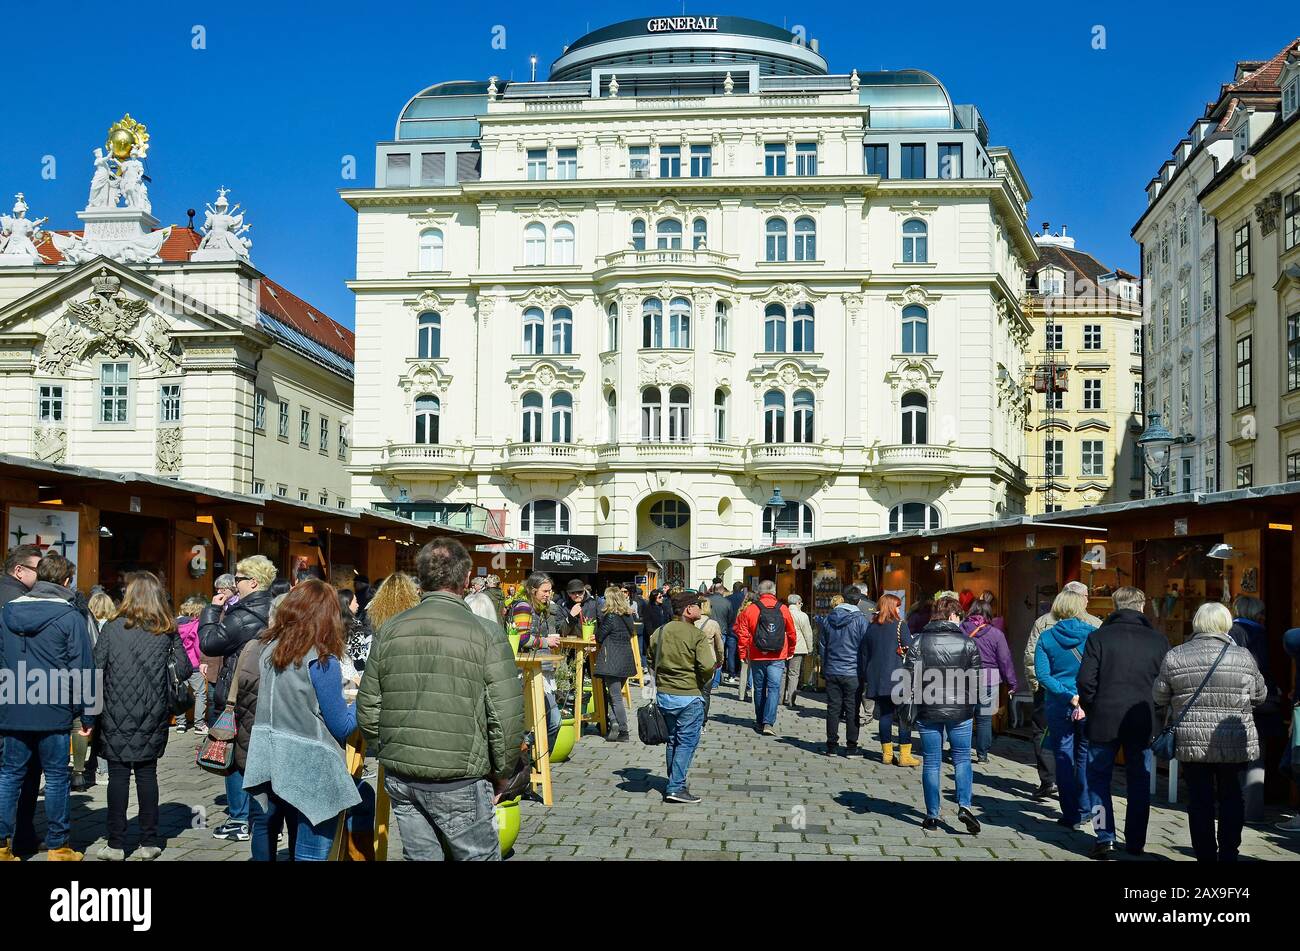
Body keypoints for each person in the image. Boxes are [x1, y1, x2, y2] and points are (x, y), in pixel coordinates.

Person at [358, 538, 525, 860]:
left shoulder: (391, 629)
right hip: (458, 776)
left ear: (421, 578)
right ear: (466, 581)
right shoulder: (487, 633)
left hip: (404, 773)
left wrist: (389, 748)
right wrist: (503, 770)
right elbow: (505, 714)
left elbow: (369, 706)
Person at [242, 580, 360, 861]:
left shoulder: (269, 650)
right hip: (310, 763)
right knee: (312, 852)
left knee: (270, 829)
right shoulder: (322, 661)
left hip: (268, 756)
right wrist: (363, 702)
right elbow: (341, 724)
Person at [0, 551, 95, 862]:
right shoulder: (70, 616)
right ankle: (57, 845)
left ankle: (2, 844)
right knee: (56, 777)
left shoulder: (7, 612)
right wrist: (89, 711)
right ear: (66, 581)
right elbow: (84, 667)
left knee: (10, 775)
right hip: (53, 707)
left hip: (13, 704)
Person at [1154, 602, 1266, 863]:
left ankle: (1204, 855)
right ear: (1225, 623)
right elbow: (1260, 696)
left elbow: (1159, 695)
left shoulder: (1176, 655)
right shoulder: (1243, 656)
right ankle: (1229, 853)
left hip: (1192, 740)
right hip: (1234, 740)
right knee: (1231, 797)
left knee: (1199, 799)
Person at [92, 572, 192, 861]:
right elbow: (184, 670)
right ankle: (149, 841)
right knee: (148, 776)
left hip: (115, 712)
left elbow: (97, 669)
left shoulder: (112, 628)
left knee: (118, 778)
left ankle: (115, 843)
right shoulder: (166, 629)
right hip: (154, 711)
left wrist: (90, 714)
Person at [1077, 586, 1169, 860]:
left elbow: (1085, 680)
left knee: (1097, 779)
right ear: (1142, 606)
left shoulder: (1099, 637)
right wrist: (1157, 712)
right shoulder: (1159, 640)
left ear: (1116, 606)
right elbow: (1165, 684)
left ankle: (1104, 836)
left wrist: (1094, 705)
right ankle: (1136, 841)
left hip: (1104, 718)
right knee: (1139, 780)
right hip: (1142, 719)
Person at [199, 554, 275, 843]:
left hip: (237, 693)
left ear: (253, 582)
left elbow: (209, 642)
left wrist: (210, 611)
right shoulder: (276, 610)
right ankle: (265, 819)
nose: (235, 585)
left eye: (239, 579)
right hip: (265, 691)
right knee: (259, 754)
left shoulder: (241, 615)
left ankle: (239, 819)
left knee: (233, 753)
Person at [904, 591, 982, 834]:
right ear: (951, 615)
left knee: (932, 762)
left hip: (928, 710)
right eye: (959, 615)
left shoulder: (918, 641)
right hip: (961, 712)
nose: (960, 620)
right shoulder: (968, 643)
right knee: (962, 758)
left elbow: (909, 678)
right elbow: (976, 680)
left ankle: (932, 815)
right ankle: (965, 805)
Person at [1024, 580, 1101, 800]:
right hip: (1086, 696)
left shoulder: (1044, 626)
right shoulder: (1095, 626)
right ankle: (1083, 801)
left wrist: (1036, 686)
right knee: (1084, 750)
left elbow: (1032, 658)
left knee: (1054, 743)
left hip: (1054, 694)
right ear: (1081, 600)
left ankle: (1051, 783)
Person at [649, 593, 715, 804]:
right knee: (686, 743)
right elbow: (707, 666)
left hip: (665, 695)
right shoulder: (696, 635)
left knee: (672, 741)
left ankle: (674, 782)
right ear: (688, 609)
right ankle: (676, 787)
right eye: (697, 605)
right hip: (688, 696)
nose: (701, 609)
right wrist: (699, 682)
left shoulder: (659, 632)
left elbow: (651, 659)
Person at [1228, 595, 1278, 825]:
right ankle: (1252, 811)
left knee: (1235, 757)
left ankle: (1234, 807)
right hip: (1259, 702)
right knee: (1256, 757)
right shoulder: (1259, 634)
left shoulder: (1232, 632)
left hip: (1236, 702)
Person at [861, 593, 920, 767]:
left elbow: (864, 653)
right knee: (904, 717)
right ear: (891, 607)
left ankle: (887, 754)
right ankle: (904, 756)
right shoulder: (900, 625)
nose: (898, 609)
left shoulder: (871, 627)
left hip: (878, 678)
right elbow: (910, 649)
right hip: (898, 676)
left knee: (885, 715)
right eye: (897, 606)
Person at [735, 580, 797, 736]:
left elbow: (742, 634)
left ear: (759, 592)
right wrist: (790, 650)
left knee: (760, 688)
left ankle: (759, 720)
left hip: (757, 654)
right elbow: (791, 633)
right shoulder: (783, 609)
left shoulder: (750, 610)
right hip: (778, 654)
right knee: (774, 688)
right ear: (774, 592)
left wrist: (743, 653)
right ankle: (768, 722)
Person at [510, 573, 564, 750]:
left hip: (540, 668)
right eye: (545, 591)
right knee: (540, 722)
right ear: (533, 590)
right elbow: (521, 638)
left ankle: (537, 761)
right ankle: (531, 762)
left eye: (550, 590)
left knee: (554, 721)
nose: (549, 594)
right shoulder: (523, 607)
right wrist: (545, 641)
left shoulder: (542, 608)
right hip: (525, 671)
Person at [961, 601, 1018, 763]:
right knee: (984, 718)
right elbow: (1005, 660)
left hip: (965, 676)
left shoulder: (961, 630)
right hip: (990, 677)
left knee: (964, 716)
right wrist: (1012, 682)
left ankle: (961, 750)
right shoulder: (996, 634)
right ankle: (982, 754)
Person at [819, 585, 869, 755]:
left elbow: (822, 646)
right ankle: (851, 747)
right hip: (853, 672)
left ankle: (831, 745)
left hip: (833, 669)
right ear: (859, 600)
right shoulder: (861, 620)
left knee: (833, 708)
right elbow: (865, 649)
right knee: (852, 709)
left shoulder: (828, 619)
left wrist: (825, 667)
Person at [594, 586, 637, 741]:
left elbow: (600, 636)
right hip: (626, 659)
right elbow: (632, 633)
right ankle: (614, 724)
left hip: (612, 659)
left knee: (615, 696)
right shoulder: (628, 616)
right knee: (614, 695)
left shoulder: (610, 616)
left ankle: (624, 730)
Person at [694, 596, 725, 724]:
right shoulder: (713, 624)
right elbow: (719, 647)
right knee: (706, 693)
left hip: (693, 659)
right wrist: (720, 661)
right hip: (709, 660)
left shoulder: (691, 622)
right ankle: (703, 721)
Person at [783, 594, 815, 710]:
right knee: (794, 674)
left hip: (783, 647)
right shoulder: (802, 615)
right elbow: (807, 633)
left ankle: (779, 698)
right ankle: (790, 700)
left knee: (782, 673)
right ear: (798, 603)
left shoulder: (783, 612)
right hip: (797, 647)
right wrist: (810, 648)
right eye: (801, 603)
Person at [336, 588, 372, 686]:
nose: (358, 605)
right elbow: (359, 657)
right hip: (354, 677)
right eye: (355, 602)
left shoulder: (332, 624)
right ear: (347, 604)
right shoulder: (355, 626)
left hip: (337, 673)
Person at [707, 584, 734, 680]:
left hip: (708, 630)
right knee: (719, 655)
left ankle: (708, 677)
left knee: (708, 654)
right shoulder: (727, 602)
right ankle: (716, 681)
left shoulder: (707, 600)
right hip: (722, 631)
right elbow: (730, 619)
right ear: (722, 591)